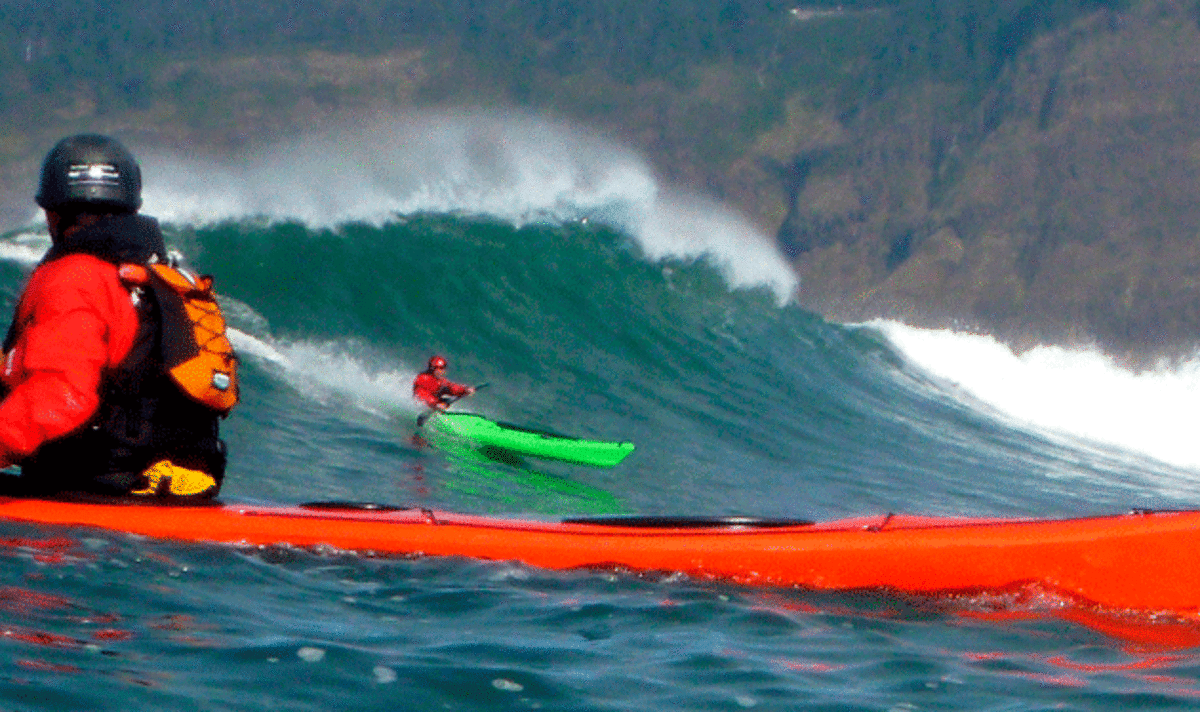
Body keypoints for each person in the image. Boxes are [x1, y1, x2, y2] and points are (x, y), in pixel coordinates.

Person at [0, 134, 231, 499]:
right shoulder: (152, 273)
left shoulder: (74, 275)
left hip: (99, 484)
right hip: (176, 484)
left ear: (54, 212)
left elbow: (62, 395)